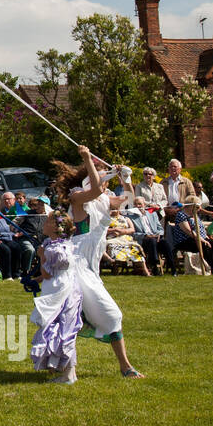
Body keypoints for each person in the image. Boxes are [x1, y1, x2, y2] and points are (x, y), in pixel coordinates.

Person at [50, 146, 143, 378]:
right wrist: (87, 158)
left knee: (83, 317)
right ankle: (118, 367)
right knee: (108, 314)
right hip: (75, 266)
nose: (105, 177)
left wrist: (126, 178)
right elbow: (92, 189)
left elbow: (129, 202)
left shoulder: (104, 199)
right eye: (101, 173)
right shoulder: (77, 196)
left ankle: (122, 367)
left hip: (90, 267)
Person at [29, 211, 83, 384]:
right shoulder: (61, 245)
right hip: (67, 288)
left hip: (58, 292)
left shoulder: (53, 249)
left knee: (60, 329)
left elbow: (47, 274)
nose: (44, 223)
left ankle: (67, 374)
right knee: (65, 328)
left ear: (54, 227)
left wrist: (41, 255)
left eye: (48, 221)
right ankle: (69, 372)